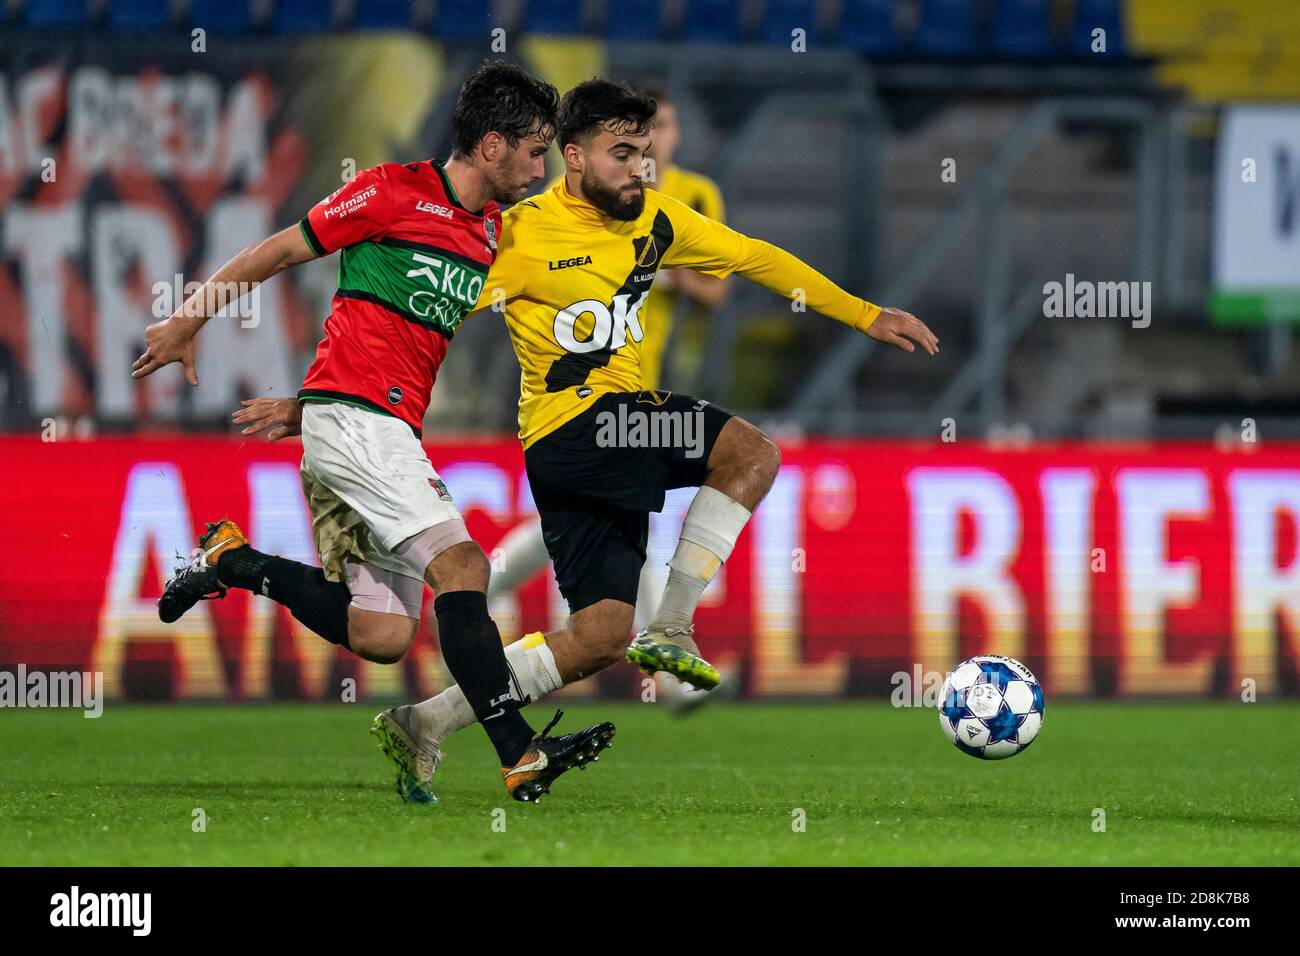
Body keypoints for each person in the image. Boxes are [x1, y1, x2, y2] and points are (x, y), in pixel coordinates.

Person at [376, 78, 938, 795]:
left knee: (600, 637)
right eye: (621, 153)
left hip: (580, 449)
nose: (639, 169)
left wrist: (862, 313)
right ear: (572, 157)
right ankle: (672, 624)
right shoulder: (517, 234)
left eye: (643, 152)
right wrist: (355, 399)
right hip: (583, 426)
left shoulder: (657, 219)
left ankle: (425, 722)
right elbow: (433, 311)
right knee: (751, 453)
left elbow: (754, 258)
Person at [130, 62, 615, 806]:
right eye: (532, 148)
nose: (539, 165)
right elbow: (284, 249)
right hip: (359, 428)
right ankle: (519, 753)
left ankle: (232, 560)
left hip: (362, 422)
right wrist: (189, 318)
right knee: (462, 567)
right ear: (490, 146)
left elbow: (390, 329)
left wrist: (309, 403)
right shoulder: (392, 190)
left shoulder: (488, 234)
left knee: (381, 636)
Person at [482, 82, 732, 712]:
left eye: (663, 133)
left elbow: (720, 286)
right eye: (634, 143)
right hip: (579, 405)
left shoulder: (687, 200)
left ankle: (437, 701)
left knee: (598, 624)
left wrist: (659, 267)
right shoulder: (552, 220)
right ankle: (670, 654)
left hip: (644, 389)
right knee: (741, 458)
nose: (652, 151)